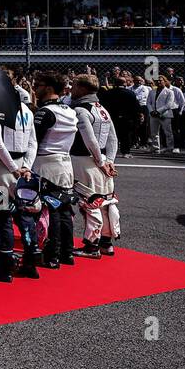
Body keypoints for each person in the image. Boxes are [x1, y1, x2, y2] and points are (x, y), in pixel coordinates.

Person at [0, 81, 39, 282]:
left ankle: (4, 267)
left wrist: (13, 168)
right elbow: (33, 143)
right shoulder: (28, 111)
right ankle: (30, 261)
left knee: (2, 216)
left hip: (0, 173)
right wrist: (26, 167)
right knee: (24, 214)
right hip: (22, 169)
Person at [70, 75, 120, 259]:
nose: (71, 89)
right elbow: (113, 138)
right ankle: (107, 243)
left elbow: (89, 139)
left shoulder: (81, 110)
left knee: (89, 203)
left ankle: (91, 246)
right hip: (103, 161)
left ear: (82, 89)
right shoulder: (102, 109)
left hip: (85, 161)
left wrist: (100, 161)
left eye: (74, 85)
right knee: (107, 202)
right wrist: (109, 161)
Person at [32, 71, 78, 269]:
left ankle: (52, 256)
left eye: (38, 85)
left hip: (46, 164)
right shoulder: (70, 110)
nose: (35, 88)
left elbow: (33, 140)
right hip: (65, 164)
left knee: (51, 209)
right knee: (65, 208)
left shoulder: (45, 112)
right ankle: (67, 253)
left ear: (49, 88)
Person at [149, 75, 178, 153]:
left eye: (160, 80)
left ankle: (170, 148)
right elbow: (148, 102)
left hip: (165, 115)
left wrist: (158, 111)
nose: (158, 82)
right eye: (157, 81)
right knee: (154, 132)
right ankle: (155, 148)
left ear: (165, 82)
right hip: (153, 115)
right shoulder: (152, 91)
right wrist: (151, 111)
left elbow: (169, 104)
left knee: (168, 132)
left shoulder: (170, 92)